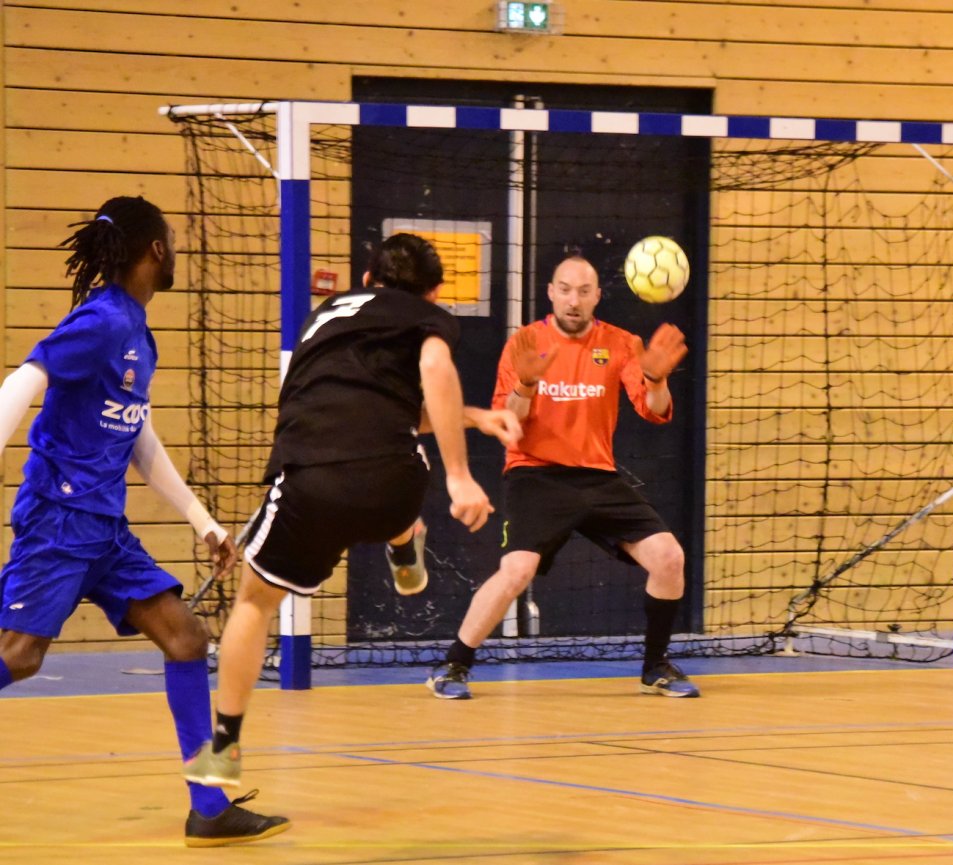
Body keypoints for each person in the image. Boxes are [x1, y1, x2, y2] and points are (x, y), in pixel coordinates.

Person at [0, 196, 289, 846]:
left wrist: (203, 522)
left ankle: (209, 803)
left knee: (187, 639)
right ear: (155, 250)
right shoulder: (101, 321)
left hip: (106, 530)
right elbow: (26, 376)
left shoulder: (137, 332)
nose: (176, 251)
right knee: (19, 657)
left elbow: (140, 442)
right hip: (59, 519)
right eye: (173, 242)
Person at [182, 233, 520, 789]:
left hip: (307, 478)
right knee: (396, 460)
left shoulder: (324, 315)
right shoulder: (425, 319)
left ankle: (224, 747)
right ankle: (401, 537)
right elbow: (431, 376)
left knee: (256, 599)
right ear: (433, 294)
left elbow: (366, 401)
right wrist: (461, 476)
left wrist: (475, 416)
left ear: (367, 279)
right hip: (390, 482)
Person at [427, 253, 696, 700]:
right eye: (565, 289)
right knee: (517, 570)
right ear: (551, 292)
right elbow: (508, 424)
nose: (574, 300)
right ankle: (453, 665)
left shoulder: (623, 343)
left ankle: (656, 667)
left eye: (584, 291)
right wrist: (526, 386)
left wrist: (654, 379)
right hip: (536, 475)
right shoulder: (526, 343)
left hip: (598, 477)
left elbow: (654, 411)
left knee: (669, 558)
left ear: (597, 297)